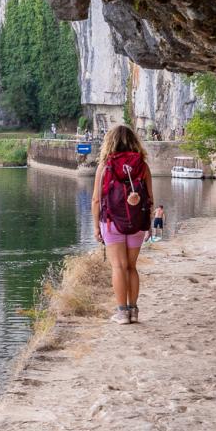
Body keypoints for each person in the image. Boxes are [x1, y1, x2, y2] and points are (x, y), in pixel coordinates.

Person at [91, 124, 153, 324]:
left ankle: (122, 313)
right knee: (131, 267)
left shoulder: (105, 165)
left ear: (110, 142)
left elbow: (96, 200)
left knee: (118, 266)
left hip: (111, 222)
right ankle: (133, 311)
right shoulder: (142, 166)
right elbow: (149, 198)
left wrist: (95, 227)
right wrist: (148, 224)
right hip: (137, 222)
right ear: (134, 141)